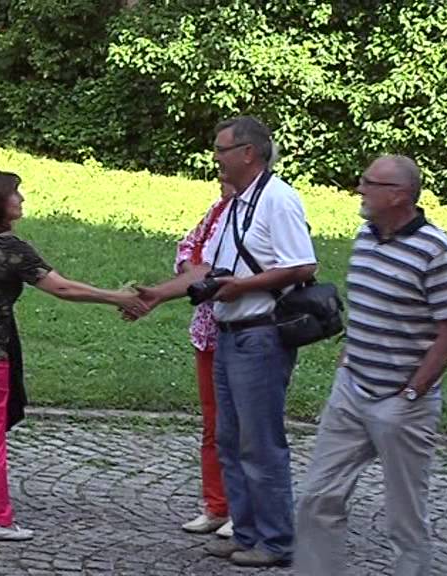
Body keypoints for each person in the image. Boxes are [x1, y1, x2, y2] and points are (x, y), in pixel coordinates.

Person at [134, 116, 316, 567]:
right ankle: (247, 531)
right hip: (229, 333)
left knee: (261, 441)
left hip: (261, 335)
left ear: (248, 153)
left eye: (221, 150)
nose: (215, 158)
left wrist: (244, 287)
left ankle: (276, 542)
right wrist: (158, 293)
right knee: (230, 439)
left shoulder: (278, 199)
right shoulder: (235, 205)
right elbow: (206, 272)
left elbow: (303, 266)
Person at [0, 170, 147, 541]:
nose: (22, 199)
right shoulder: (13, 251)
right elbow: (62, 288)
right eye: (16, 194)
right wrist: (117, 297)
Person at [294, 155, 447, 576]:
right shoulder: (365, 238)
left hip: (402, 403)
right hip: (351, 391)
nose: (359, 189)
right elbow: (367, 308)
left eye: (370, 183)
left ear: (399, 196)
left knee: (404, 517)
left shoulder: (436, 252)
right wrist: (347, 360)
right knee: (318, 497)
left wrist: (412, 392)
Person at [171, 181, 235, 538]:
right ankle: (215, 505)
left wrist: (202, 272)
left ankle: (241, 508)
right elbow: (188, 246)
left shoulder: (265, 210)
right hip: (208, 330)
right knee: (212, 423)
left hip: (243, 330)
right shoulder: (216, 212)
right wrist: (193, 270)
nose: (220, 180)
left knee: (240, 425)